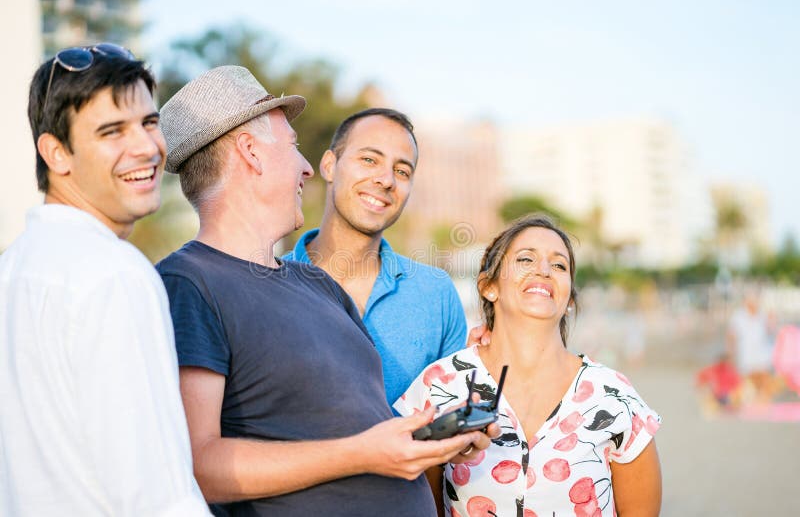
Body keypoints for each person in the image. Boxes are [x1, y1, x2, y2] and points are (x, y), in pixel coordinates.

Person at [155, 66, 494, 516]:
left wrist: (435, 437)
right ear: (251, 152)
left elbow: (366, 425)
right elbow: (198, 466)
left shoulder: (316, 284)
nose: (307, 167)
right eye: (293, 146)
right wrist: (363, 454)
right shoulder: (188, 283)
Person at [0, 44, 208, 515]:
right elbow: (158, 496)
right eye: (112, 131)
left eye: (149, 123)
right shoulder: (113, 273)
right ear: (56, 153)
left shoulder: (13, 270)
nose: (147, 147)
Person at [396, 215, 662, 517]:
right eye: (526, 259)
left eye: (559, 265)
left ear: (569, 299)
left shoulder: (614, 397)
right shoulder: (440, 385)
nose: (544, 270)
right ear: (488, 287)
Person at [283, 108, 467, 406]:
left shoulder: (437, 294)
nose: (386, 180)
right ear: (329, 166)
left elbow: (454, 411)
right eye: (369, 160)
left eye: (402, 171)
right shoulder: (268, 281)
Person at [727, 290, 775, 404]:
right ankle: (751, 406)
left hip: (764, 358)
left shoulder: (763, 314)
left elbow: (770, 332)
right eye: (751, 300)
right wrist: (731, 356)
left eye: (756, 300)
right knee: (748, 390)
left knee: (765, 389)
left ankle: (764, 406)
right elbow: (731, 337)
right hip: (747, 359)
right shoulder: (738, 316)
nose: (755, 302)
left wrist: (772, 320)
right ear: (746, 301)